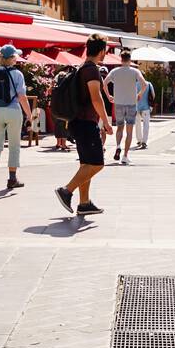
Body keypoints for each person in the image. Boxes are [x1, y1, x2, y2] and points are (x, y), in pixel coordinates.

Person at [54, 34, 111, 216]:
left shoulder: (82, 68)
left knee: (86, 163)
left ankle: (84, 203)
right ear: (102, 50)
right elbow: (96, 97)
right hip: (86, 123)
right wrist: (106, 121)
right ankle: (66, 190)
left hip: (78, 122)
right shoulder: (92, 70)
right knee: (97, 163)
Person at [0, 44, 31, 192]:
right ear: (12, 58)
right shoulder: (17, 74)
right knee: (14, 145)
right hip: (13, 110)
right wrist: (29, 114)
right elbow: (22, 96)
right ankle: (12, 178)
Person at [105, 50, 147, 165]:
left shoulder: (115, 71)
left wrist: (109, 96)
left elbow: (104, 83)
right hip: (131, 103)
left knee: (119, 128)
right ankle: (125, 155)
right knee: (129, 131)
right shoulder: (135, 71)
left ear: (121, 59)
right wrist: (139, 95)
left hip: (118, 103)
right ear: (130, 59)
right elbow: (144, 84)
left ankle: (118, 145)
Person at [47, 72, 71, 152]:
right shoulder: (67, 87)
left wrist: (52, 84)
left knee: (57, 125)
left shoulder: (54, 87)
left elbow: (49, 93)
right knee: (65, 126)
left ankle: (58, 143)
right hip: (65, 109)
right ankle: (63, 144)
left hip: (55, 109)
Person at [134, 77, 153, 149]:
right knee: (146, 125)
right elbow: (153, 95)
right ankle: (144, 141)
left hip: (136, 107)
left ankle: (139, 140)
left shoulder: (135, 84)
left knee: (137, 124)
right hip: (146, 107)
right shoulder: (148, 84)